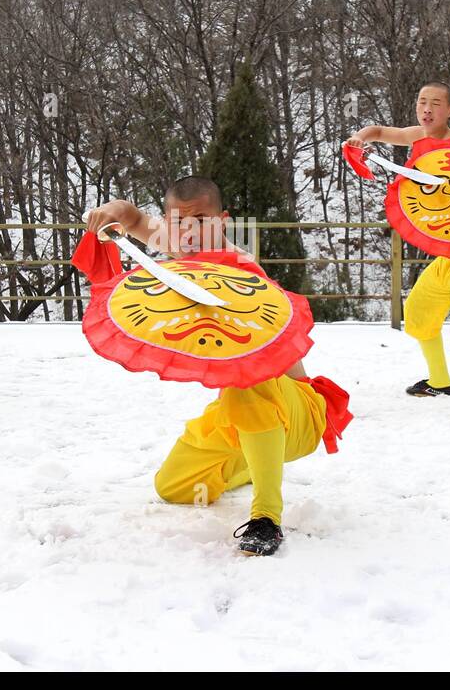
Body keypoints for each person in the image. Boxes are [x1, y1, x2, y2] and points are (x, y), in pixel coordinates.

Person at [82, 176, 351, 556]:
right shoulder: (176, 244)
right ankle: (252, 458)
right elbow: (131, 216)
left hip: (296, 412)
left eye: (203, 221)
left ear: (223, 222)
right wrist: (111, 211)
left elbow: (264, 361)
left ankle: (266, 517)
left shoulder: (242, 269)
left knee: (247, 379)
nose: (190, 231)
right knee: (175, 487)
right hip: (241, 413)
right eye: (179, 222)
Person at [346, 82, 450, 426]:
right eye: (422, 102)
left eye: (435, 103)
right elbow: (378, 131)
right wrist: (359, 138)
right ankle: (440, 383)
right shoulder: (416, 135)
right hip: (448, 257)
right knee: (418, 313)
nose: (427, 108)